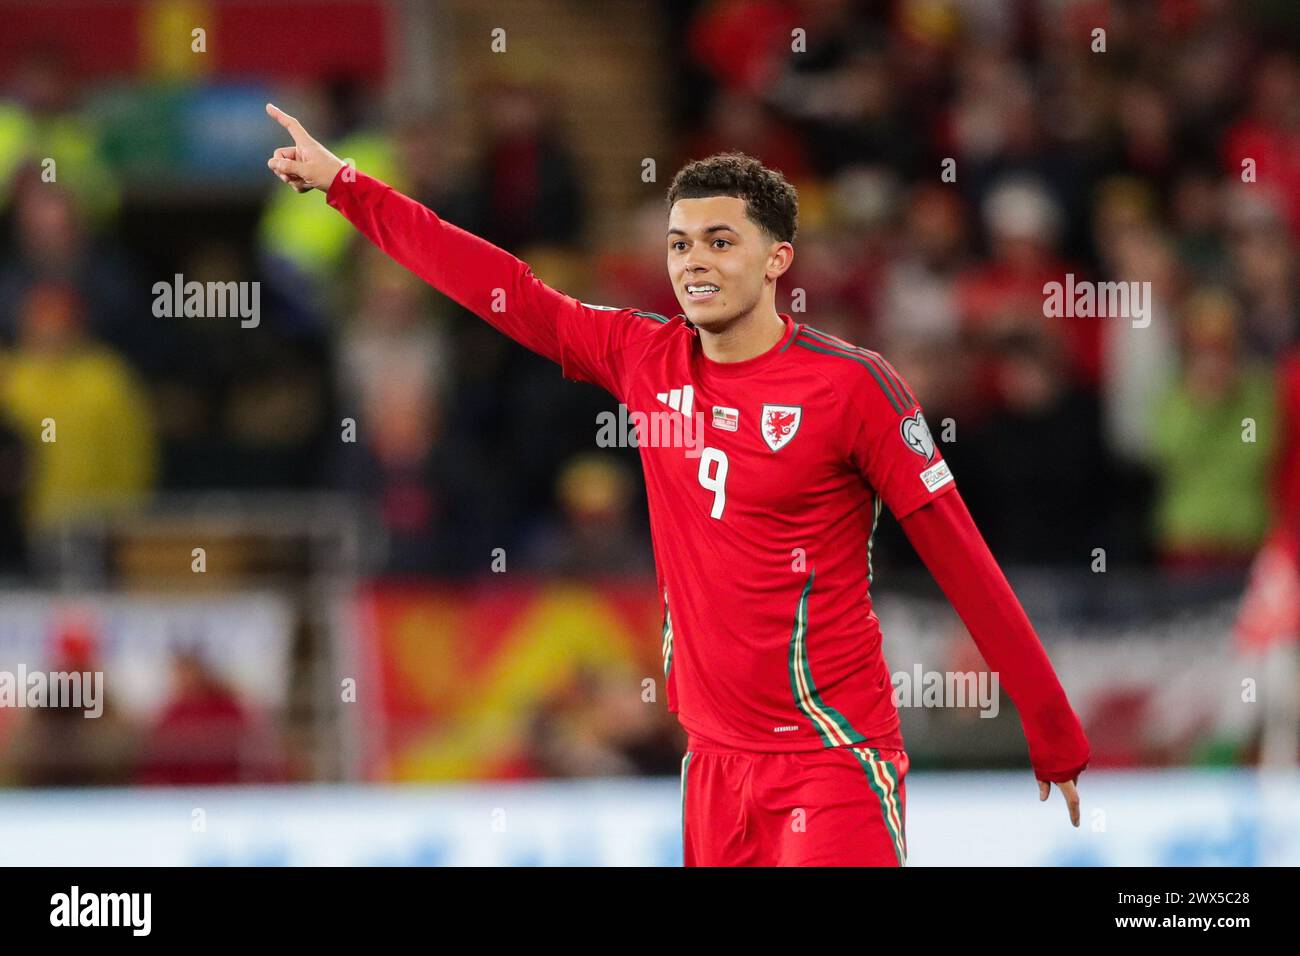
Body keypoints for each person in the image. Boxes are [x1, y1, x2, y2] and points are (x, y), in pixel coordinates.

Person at [264, 103, 1090, 866]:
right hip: (711, 772)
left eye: (720, 241)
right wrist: (347, 186)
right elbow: (503, 290)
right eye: (680, 243)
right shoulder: (645, 359)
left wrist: (1049, 725)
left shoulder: (853, 389)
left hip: (831, 761)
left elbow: (961, 557)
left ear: (778, 259)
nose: (694, 262)